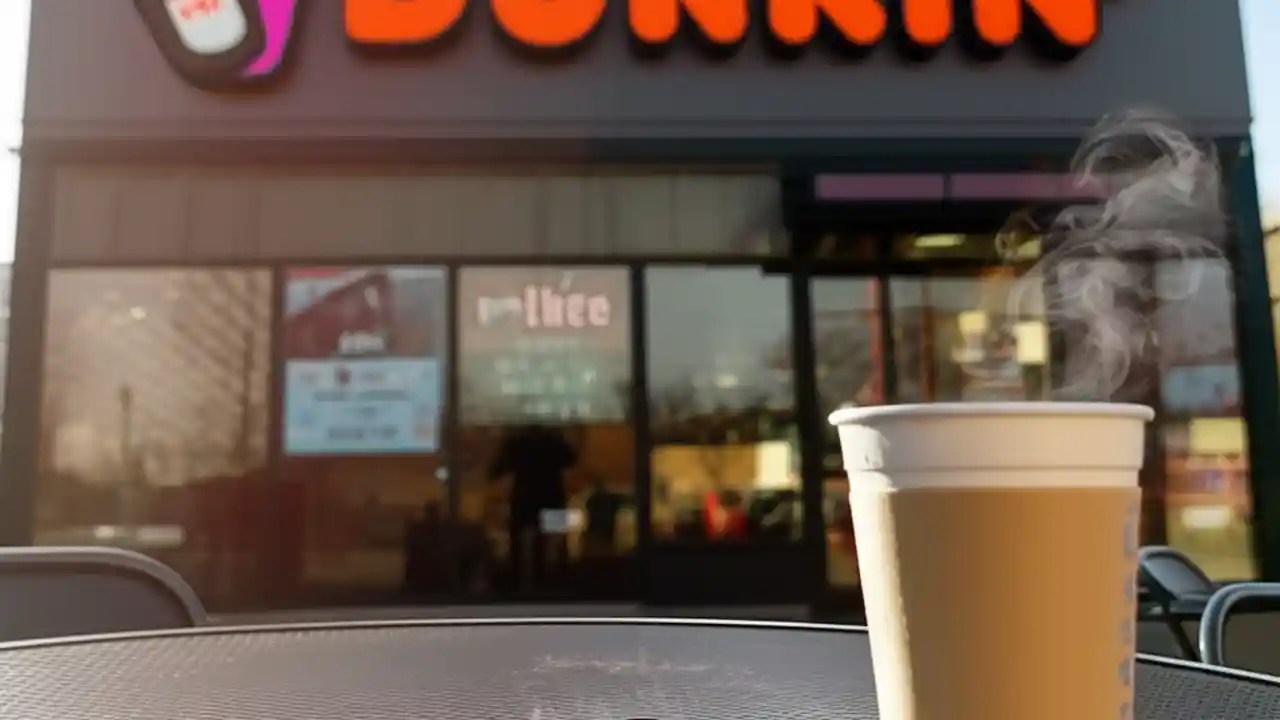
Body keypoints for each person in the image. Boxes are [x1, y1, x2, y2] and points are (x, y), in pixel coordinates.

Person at [488, 424, 577, 592]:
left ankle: (520, 582)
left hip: (525, 498)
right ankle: (554, 582)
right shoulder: (554, 440)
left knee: (519, 541)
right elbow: (571, 459)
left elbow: (497, 469)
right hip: (553, 497)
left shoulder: (516, 441)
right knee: (555, 543)